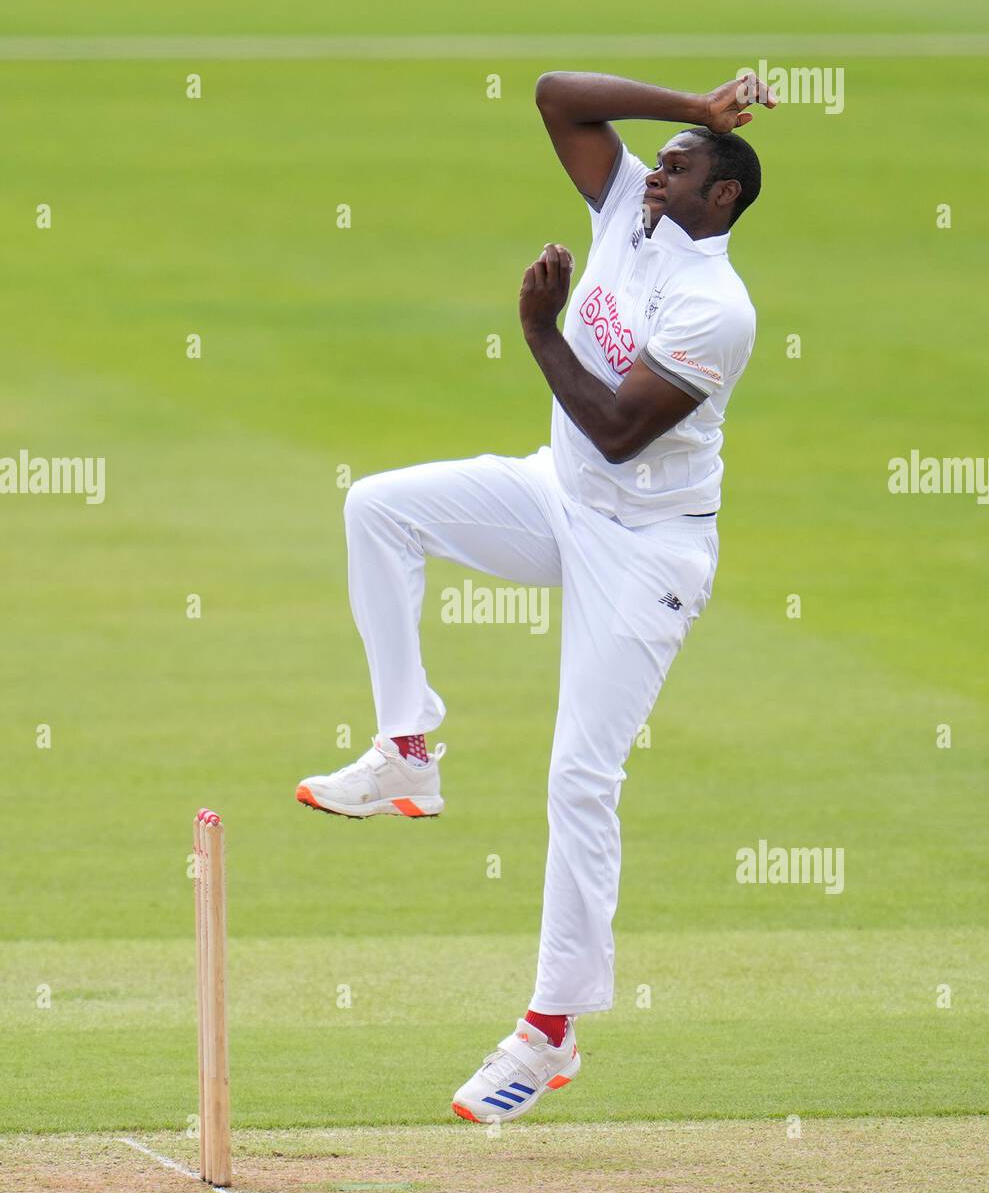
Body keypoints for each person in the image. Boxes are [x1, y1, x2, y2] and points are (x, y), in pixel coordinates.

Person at [297, 70, 775, 1122]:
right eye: (659, 159)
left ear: (722, 200)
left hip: (647, 550)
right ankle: (406, 752)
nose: (656, 175)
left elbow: (615, 426)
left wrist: (539, 329)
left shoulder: (715, 309)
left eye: (682, 168)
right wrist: (693, 110)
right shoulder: (629, 207)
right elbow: (559, 94)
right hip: (558, 494)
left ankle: (548, 1035)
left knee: (577, 776)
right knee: (377, 508)